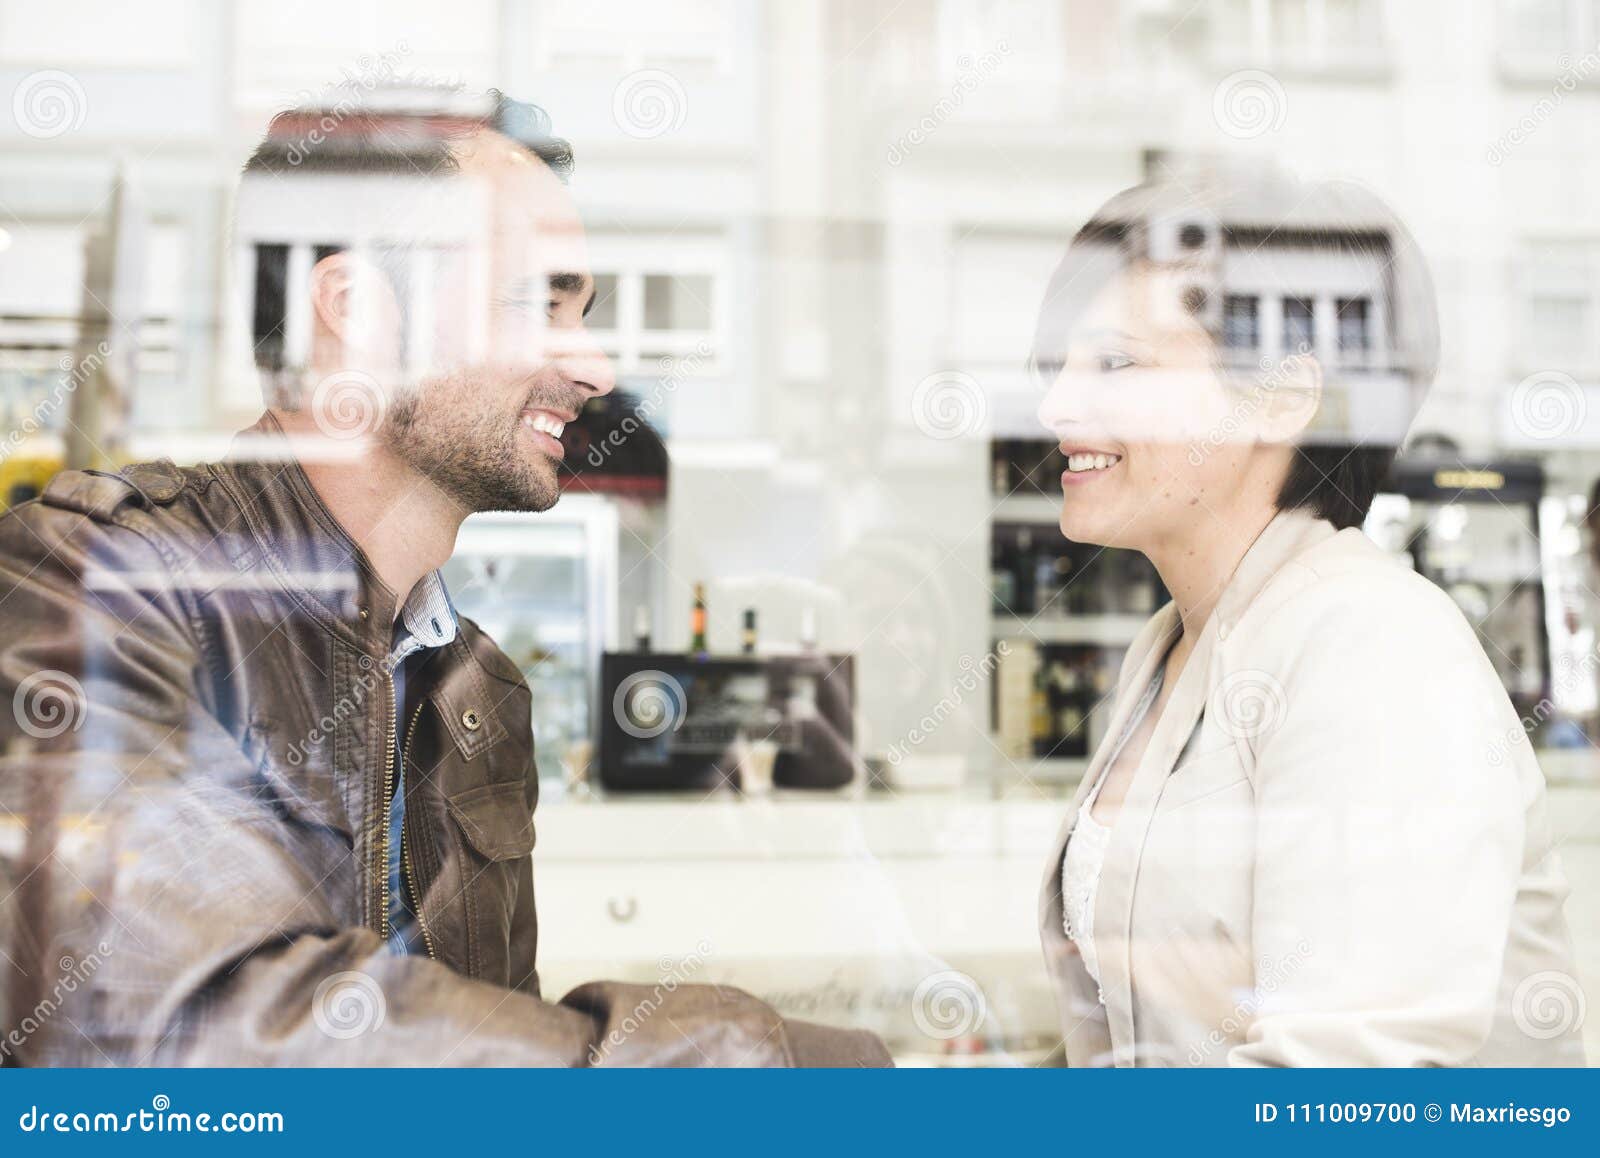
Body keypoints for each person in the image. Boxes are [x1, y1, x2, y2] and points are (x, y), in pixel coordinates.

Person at [0, 87, 888, 1067]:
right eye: (537, 301)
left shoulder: (479, 695)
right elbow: (169, 1018)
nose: (593, 365)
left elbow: (492, 1062)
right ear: (355, 315)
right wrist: (716, 1059)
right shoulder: (98, 583)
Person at [1031, 160, 1585, 1066]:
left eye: (1117, 362)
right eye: (1060, 366)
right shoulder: (1171, 646)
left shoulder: (1372, 648)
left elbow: (1351, 1089)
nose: (1056, 406)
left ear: (1284, 395)